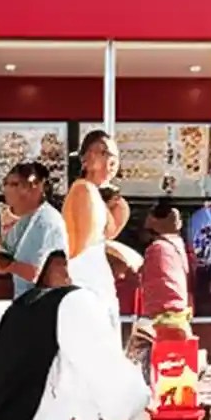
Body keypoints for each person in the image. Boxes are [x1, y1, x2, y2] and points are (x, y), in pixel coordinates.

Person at [0, 251, 151, 420]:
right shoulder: (76, 303)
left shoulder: (25, 306)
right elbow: (120, 406)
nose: (119, 281)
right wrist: (138, 368)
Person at [61, 130, 130, 331]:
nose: (110, 160)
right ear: (85, 159)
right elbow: (81, 247)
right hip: (87, 287)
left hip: (96, 286)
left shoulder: (93, 193)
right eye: (103, 152)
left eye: (114, 156)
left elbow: (103, 237)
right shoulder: (83, 190)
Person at [0, 162, 67, 299]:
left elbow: (36, 274)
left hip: (44, 304)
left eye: (15, 184)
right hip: (26, 302)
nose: (7, 189)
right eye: (6, 184)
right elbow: (2, 251)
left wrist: (7, 266)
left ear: (36, 187)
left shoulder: (46, 221)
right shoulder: (27, 220)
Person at [138, 198, 192, 338]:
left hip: (164, 322)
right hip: (178, 319)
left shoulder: (159, 248)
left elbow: (159, 293)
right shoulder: (178, 246)